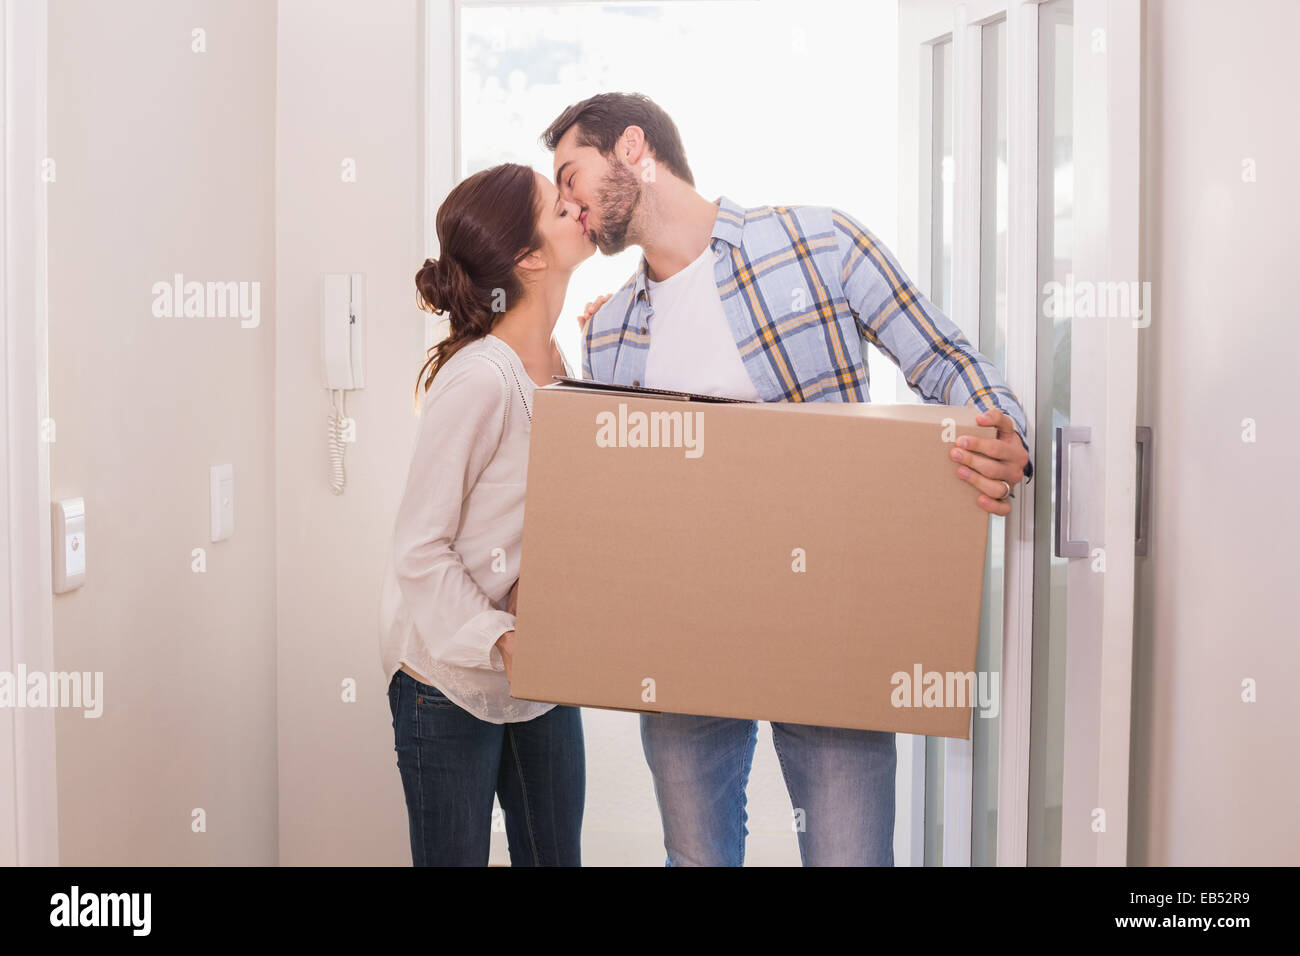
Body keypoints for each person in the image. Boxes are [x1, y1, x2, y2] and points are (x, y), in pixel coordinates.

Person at [541, 92, 1034, 867]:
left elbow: (945, 358)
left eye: (570, 173)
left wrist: (1003, 427)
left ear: (634, 148)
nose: (566, 202)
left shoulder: (817, 242)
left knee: (848, 857)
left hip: (828, 625)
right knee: (697, 859)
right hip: (681, 643)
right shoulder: (609, 331)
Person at [378, 161, 595, 866]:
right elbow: (419, 547)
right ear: (530, 258)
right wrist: (503, 639)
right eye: (558, 205)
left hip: (542, 681)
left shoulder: (562, 367)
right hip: (448, 681)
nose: (577, 204)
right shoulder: (480, 378)